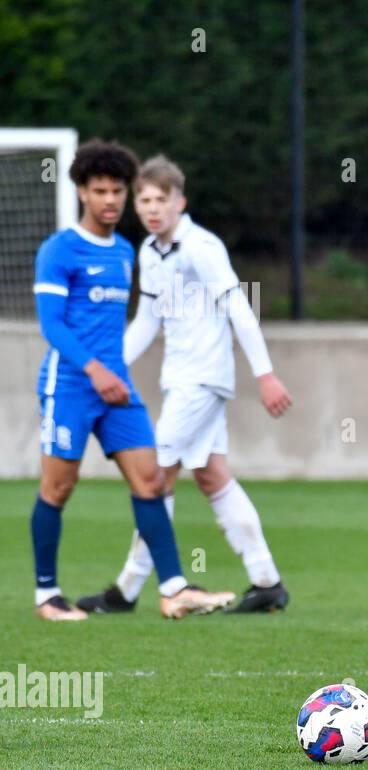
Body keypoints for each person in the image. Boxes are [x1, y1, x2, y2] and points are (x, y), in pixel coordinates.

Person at [76, 155, 292, 615]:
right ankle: (267, 581)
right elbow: (146, 322)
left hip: (203, 380)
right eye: (145, 200)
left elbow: (238, 308)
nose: (152, 209)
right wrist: (106, 365)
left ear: (181, 202)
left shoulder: (202, 247)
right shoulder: (150, 252)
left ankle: (127, 589)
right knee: (213, 476)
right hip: (181, 379)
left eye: (161, 200)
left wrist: (265, 373)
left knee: (153, 476)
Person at [31, 140, 234, 621]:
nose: (109, 200)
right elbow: (52, 324)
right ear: (82, 191)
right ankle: (46, 595)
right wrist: (96, 370)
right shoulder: (59, 250)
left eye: (117, 191)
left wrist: (112, 372)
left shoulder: (125, 251)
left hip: (116, 389)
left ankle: (174, 589)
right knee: (58, 487)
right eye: (99, 190)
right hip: (71, 386)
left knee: (151, 481)